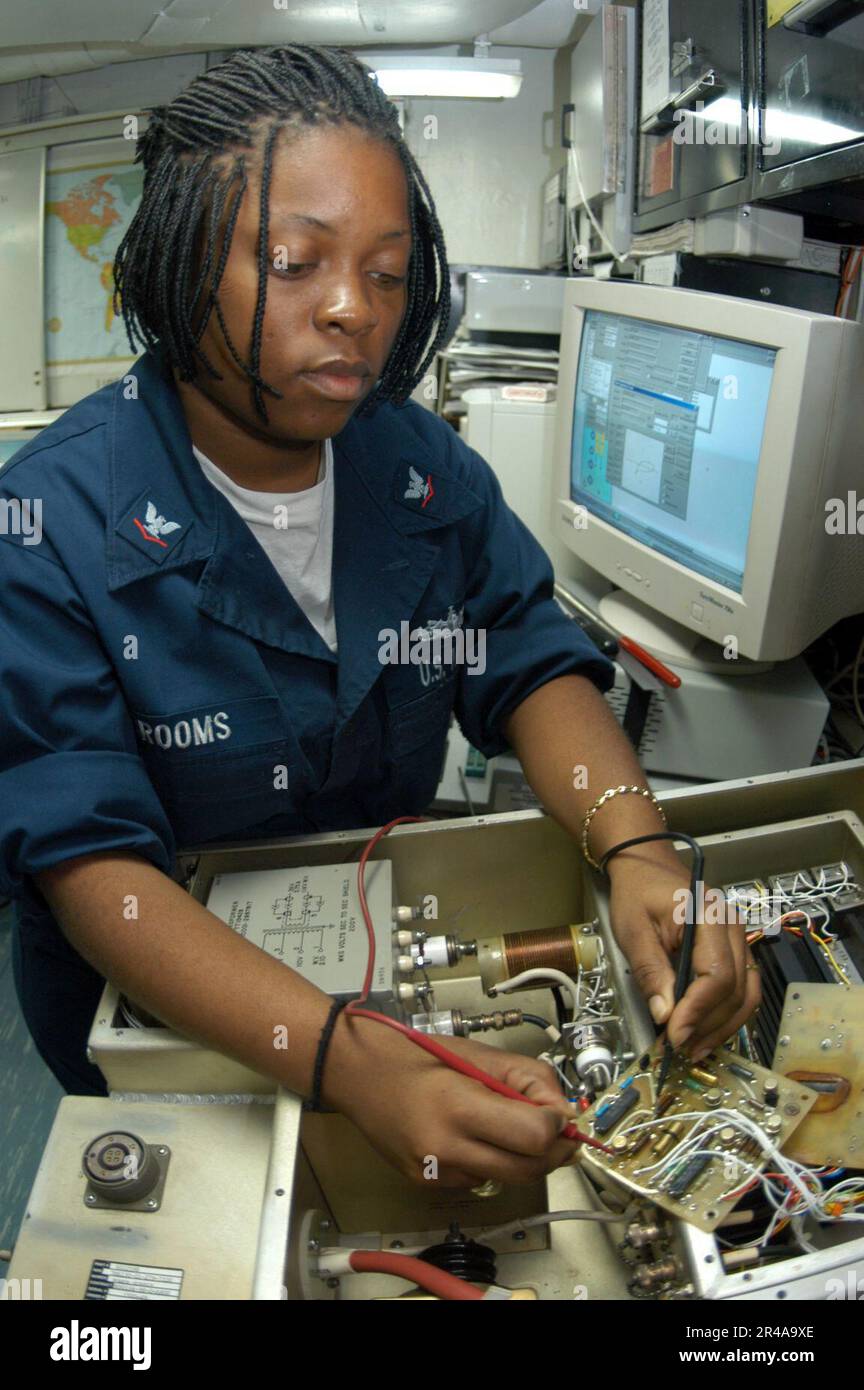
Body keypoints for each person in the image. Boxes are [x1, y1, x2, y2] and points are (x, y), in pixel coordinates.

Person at [0, 45, 759, 1189]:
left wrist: (639, 842)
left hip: (373, 952)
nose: (354, 309)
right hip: (168, 1018)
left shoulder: (418, 465)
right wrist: (348, 1060)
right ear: (175, 265)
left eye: (391, 273)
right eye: (296, 262)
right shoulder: (47, 517)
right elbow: (90, 861)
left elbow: (525, 660)